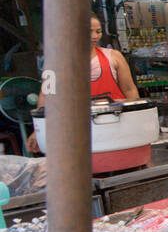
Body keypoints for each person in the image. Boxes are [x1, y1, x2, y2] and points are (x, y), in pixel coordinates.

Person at [27, 13, 140, 153]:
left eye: (98, 31)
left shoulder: (114, 56)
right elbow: (46, 96)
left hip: (116, 126)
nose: (94, 36)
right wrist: (39, 131)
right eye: (88, 31)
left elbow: (129, 90)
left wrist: (136, 119)